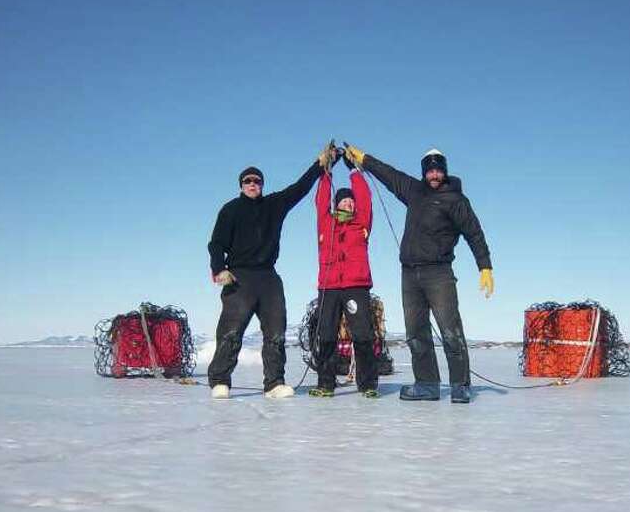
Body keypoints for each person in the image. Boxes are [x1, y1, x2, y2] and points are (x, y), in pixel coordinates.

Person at [342, 144, 493, 403]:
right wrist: (364, 159)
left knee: (449, 330)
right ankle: (427, 383)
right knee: (415, 332)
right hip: (410, 274)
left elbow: (474, 234)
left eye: (438, 171)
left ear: (444, 171)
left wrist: (485, 267)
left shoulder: (455, 199)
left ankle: (460, 385)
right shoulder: (415, 191)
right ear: (424, 172)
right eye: (430, 171)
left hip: (439, 273)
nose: (434, 175)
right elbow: (389, 175)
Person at [206, 144, 334, 398]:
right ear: (241, 185)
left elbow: (300, 188)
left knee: (276, 332)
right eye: (248, 181)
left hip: (268, 278)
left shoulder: (274, 205)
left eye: (257, 181)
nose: (253, 184)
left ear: (262, 184)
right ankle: (220, 380)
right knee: (231, 332)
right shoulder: (230, 209)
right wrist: (219, 269)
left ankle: (274, 383)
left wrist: (321, 164)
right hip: (238, 277)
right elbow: (216, 243)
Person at [309, 154, 379, 399]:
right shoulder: (325, 223)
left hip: (356, 286)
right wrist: (326, 172)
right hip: (329, 287)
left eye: (351, 201)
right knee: (326, 335)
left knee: (362, 335)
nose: (349, 204)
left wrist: (354, 171)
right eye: (344, 201)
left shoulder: (362, 224)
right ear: (336, 204)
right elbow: (320, 201)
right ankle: (326, 384)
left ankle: (368, 384)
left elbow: (366, 200)